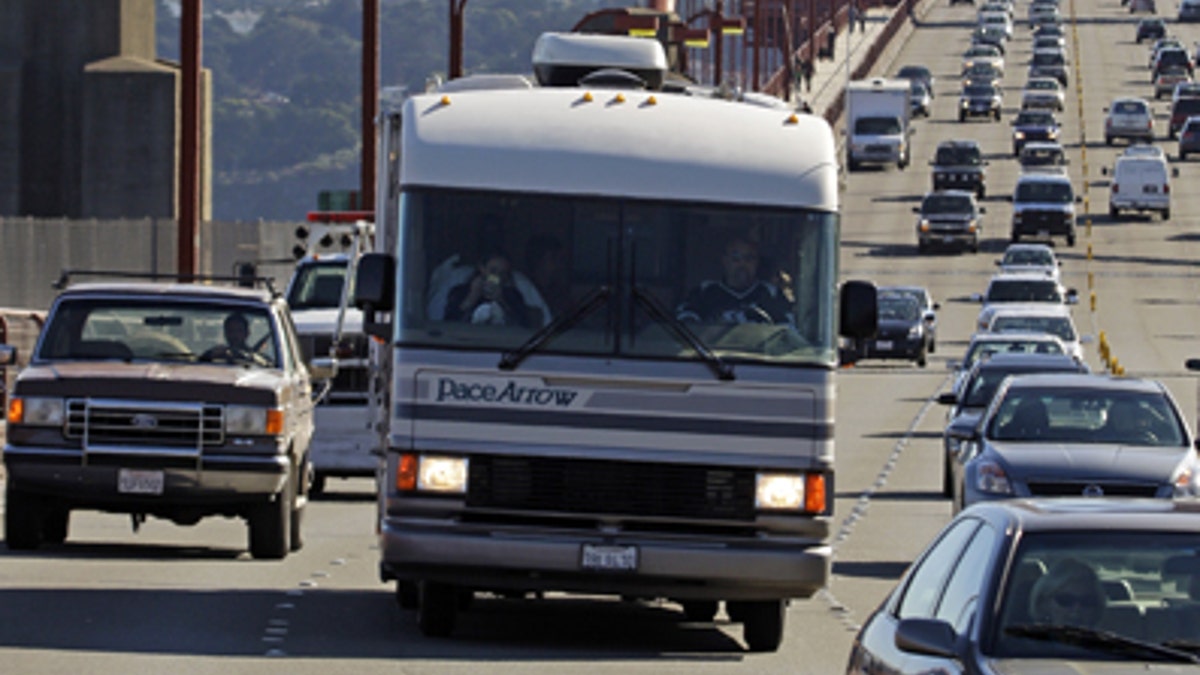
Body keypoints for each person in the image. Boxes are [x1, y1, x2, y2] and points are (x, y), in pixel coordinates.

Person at [676, 236, 793, 325]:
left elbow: (787, 329)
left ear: (757, 262)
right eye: (735, 259)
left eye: (749, 258)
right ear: (725, 261)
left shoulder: (772, 293)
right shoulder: (704, 291)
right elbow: (684, 318)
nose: (742, 264)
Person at [444, 251, 535, 327]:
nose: (497, 276)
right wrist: (471, 298)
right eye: (493, 271)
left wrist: (501, 301)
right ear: (482, 268)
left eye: (502, 273)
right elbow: (448, 325)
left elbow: (523, 327)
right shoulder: (459, 292)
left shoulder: (513, 296)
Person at [1028, 558, 1106, 628]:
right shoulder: (1022, 641)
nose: (1076, 609)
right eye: (1065, 600)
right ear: (1044, 604)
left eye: (1087, 602)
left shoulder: (1107, 643)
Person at [202, 313, 268, 365]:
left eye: (239, 331)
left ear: (247, 333)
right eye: (231, 331)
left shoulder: (258, 359)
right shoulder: (215, 355)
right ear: (225, 333)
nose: (235, 335)